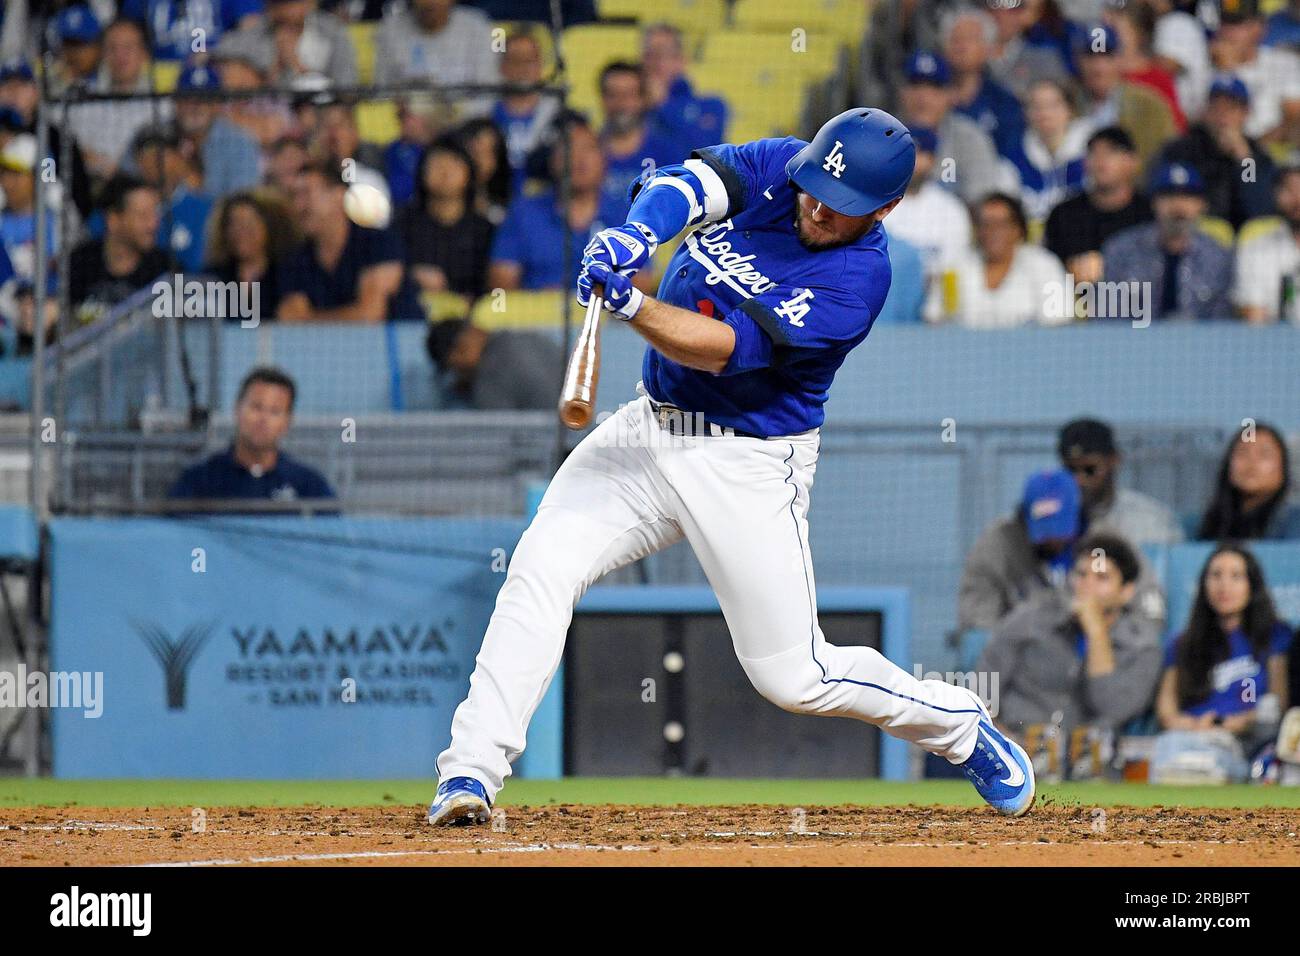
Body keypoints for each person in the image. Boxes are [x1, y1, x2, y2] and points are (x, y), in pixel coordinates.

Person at [429, 108, 1039, 826]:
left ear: (885, 209)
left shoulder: (856, 281)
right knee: (540, 569)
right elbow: (689, 185)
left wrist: (631, 303)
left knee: (794, 676)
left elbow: (721, 347)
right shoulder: (785, 165)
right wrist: (638, 234)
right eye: (816, 189)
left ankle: (959, 727)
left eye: (840, 204)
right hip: (648, 428)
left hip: (745, 459)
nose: (818, 207)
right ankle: (470, 770)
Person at [977, 531, 1163, 744]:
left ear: (1126, 592)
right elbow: (982, 689)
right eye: (1081, 574)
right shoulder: (1030, 618)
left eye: (1102, 578)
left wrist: (1096, 632)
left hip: (1089, 756)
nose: (1087, 586)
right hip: (1014, 746)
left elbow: (1112, 709)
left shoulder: (1143, 646)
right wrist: (1000, 742)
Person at [1156, 544, 1292, 747]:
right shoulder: (1181, 643)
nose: (1224, 586)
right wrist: (1195, 725)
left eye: (1236, 576)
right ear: (1203, 584)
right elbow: (1166, 711)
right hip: (1189, 738)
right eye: (1216, 575)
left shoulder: (1275, 636)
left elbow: (1278, 704)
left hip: (1250, 742)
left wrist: (1236, 723)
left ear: (1252, 585)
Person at [486, 116, 624, 292]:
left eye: (588, 148)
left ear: (604, 159)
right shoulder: (523, 213)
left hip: (605, 308)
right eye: (568, 149)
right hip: (537, 307)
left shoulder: (625, 215)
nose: (578, 158)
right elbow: (502, 283)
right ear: (553, 161)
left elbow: (641, 281)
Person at [277, 161, 422, 322]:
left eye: (306, 194)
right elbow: (290, 319)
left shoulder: (379, 242)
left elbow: (370, 315)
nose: (298, 206)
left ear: (339, 195)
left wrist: (310, 319)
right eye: (294, 196)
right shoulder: (296, 258)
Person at [169, 366, 335, 501]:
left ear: (287, 421)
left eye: (275, 411)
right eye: (256, 407)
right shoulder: (199, 481)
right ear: (237, 409)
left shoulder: (309, 487)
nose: (263, 419)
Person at [1100, 162, 1233, 321]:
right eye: (1169, 196)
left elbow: (1223, 322)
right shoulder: (1121, 251)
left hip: (1199, 337)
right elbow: (1108, 318)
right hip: (1134, 336)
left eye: (1188, 197)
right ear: (1153, 203)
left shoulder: (1218, 257)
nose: (1178, 206)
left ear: (1202, 205)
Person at [959, 468, 1083, 633]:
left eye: (1060, 531)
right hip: (1016, 643)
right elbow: (978, 619)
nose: (1052, 541)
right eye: (1044, 532)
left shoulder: (1096, 543)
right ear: (1025, 515)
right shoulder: (996, 546)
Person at [925, 191, 1072, 327]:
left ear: (1018, 229)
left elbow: (1057, 323)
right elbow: (935, 317)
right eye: (986, 224)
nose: (993, 231)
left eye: (1001, 224)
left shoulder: (1044, 266)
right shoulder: (956, 267)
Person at [1156, 76, 1277, 231]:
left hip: (1246, 236)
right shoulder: (1183, 149)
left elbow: (1260, 208)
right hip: (1194, 231)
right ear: (1206, 112)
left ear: (1245, 113)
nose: (1222, 116)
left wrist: (1244, 159)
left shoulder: (1257, 155)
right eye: (1216, 108)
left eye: (1231, 108)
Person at [1042, 126, 1152, 290]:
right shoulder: (1063, 214)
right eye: (1093, 153)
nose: (1100, 161)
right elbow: (1045, 270)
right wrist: (1069, 270)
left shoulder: (1151, 213)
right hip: (1076, 299)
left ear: (1133, 162)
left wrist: (1109, 268)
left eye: (1111, 152)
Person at [66, 17, 172, 180]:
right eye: (112, 48)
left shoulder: (162, 105)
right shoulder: (79, 99)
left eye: (128, 47)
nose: (120, 55)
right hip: (88, 184)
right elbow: (63, 146)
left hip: (141, 186)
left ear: (144, 53)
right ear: (102, 54)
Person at [898, 50, 1007, 204]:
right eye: (915, 85)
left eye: (934, 87)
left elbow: (983, 202)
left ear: (950, 95)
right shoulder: (883, 135)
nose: (923, 97)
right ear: (902, 92)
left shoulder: (970, 139)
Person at [1058, 417, 1184, 547]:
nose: (1079, 480)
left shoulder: (1148, 518)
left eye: (1090, 469)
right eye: (1070, 470)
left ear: (1114, 460)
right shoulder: (1054, 516)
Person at [68, 174, 175, 325]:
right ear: (113, 220)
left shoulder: (165, 270)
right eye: (143, 216)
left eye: (155, 215)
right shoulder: (80, 263)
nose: (153, 224)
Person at [398, 137, 494, 299]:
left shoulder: (486, 232)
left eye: (454, 163)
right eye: (437, 164)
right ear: (422, 172)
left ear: (469, 173)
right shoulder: (401, 224)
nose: (445, 172)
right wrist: (411, 275)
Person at [1073, 22, 1176, 170]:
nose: (1099, 67)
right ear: (1078, 60)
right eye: (1091, 57)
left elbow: (1166, 156)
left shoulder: (1149, 105)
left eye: (1107, 56)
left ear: (1120, 59)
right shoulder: (1066, 103)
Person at [881, 126, 972, 289]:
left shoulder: (951, 210)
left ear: (932, 160)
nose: (911, 161)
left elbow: (954, 270)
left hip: (934, 298)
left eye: (919, 153)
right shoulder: (875, 204)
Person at [375, 0, 498, 117]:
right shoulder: (390, 30)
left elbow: (489, 92)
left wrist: (456, 116)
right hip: (409, 121)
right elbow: (382, 93)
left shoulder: (477, 26)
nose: (431, 3)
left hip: (467, 122)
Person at [597, 62, 687, 220]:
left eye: (629, 95)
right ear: (602, 99)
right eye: (613, 95)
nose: (621, 104)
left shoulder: (668, 154)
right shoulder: (586, 155)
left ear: (643, 99)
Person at [1210, 0, 1300, 145]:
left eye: (1237, 24)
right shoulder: (1208, 64)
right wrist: (1225, 73)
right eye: (1224, 23)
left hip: (1270, 152)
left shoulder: (1283, 62)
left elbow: (1294, 120)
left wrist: (1250, 152)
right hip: (1213, 153)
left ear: (1259, 28)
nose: (1228, 32)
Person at [943, 5, 1026, 159]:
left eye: (970, 39)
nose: (961, 47)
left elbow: (1010, 157)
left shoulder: (1004, 103)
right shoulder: (930, 97)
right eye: (955, 39)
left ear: (988, 48)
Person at [129, 124, 215, 274]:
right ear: (138, 162)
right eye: (147, 154)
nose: (156, 161)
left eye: (164, 153)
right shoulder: (121, 207)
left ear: (179, 158)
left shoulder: (206, 209)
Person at [1003, 78, 1089, 225]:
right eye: (1036, 106)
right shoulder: (1013, 158)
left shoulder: (1091, 148)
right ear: (1025, 113)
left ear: (1070, 109)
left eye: (1052, 105)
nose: (1044, 113)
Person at [426, 318, 561, 409]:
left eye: (455, 369)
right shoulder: (528, 336)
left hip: (558, 436)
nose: (458, 375)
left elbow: (500, 436)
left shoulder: (487, 381)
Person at [1196, 422, 1300, 541]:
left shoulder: (1294, 524)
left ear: (1283, 466)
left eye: (1264, 454)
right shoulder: (1202, 525)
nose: (1251, 462)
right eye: (1243, 452)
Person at [205, 189, 298, 319]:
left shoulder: (288, 275)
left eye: (249, 223)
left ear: (269, 227)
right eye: (234, 224)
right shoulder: (213, 277)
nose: (241, 232)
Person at [173, 64, 262, 199]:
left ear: (218, 104)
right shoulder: (162, 136)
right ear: (176, 102)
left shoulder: (240, 143)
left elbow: (243, 201)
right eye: (188, 97)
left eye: (204, 99)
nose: (195, 106)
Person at [491, 31, 560, 198]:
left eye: (529, 61)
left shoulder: (561, 117)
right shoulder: (485, 114)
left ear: (540, 65)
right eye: (515, 60)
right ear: (502, 66)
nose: (522, 68)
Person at [641, 23, 728, 152]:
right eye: (648, 55)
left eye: (661, 54)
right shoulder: (633, 107)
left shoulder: (710, 106)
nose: (653, 63)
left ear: (681, 60)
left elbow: (704, 150)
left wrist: (663, 104)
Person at [1234, 165, 1300, 323]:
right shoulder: (1255, 250)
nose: (1297, 198)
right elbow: (1253, 315)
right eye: (1289, 190)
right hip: (1273, 336)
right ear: (1276, 195)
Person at [257, 0, 358, 89]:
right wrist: (278, 65)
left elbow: (347, 86)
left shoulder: (332, 30)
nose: (282, 10)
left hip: (327, 101)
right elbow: (254, 91)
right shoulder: (257, 33)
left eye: (288, 3)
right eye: (276, 3)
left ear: (309, 3)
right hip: (276, 102)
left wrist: (297, 65)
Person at [120, 0, 263, 61]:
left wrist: (215, 53)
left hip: (215, 72)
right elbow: (124, 33)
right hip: (158, 76)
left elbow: (252, 32)